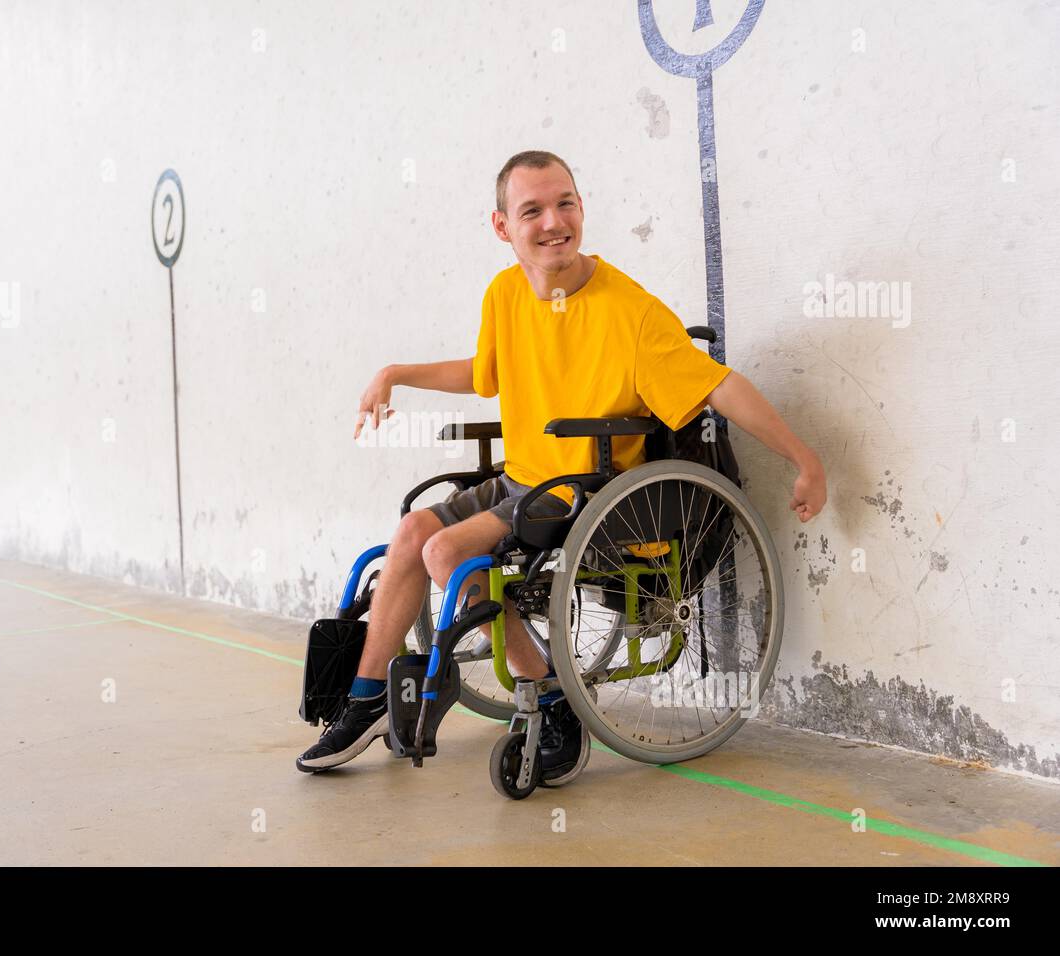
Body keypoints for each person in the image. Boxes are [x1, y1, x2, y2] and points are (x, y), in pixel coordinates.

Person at [297, 150, 827, 777]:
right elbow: (484, 372)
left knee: (446, 553)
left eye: (565, 203)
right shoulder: (504, 294)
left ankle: (553, 696)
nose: (554, 222)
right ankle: (366, 700)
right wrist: (395, 374)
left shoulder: (629, 310)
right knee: (413, 532)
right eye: (532, 211)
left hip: (583, 485)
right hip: (522, 476)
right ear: (503, 228)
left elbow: (718, 386)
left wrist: (803, 457)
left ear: (581, 207)